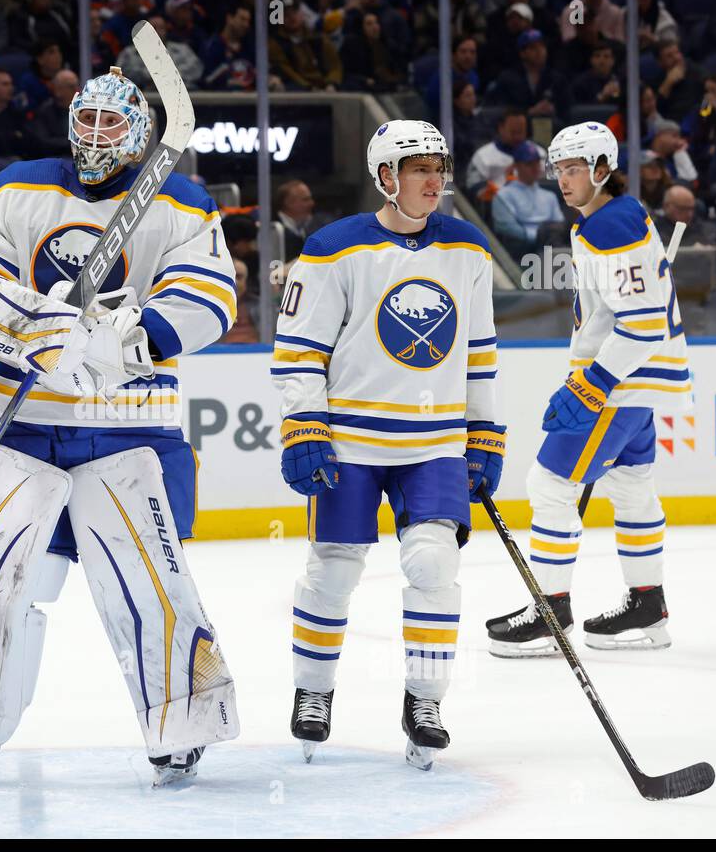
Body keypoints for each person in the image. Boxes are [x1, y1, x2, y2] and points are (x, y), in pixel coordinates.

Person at [0, 66, 240, 789]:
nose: (95, 135)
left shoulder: (181, 200)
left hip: (132, 425)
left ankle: (182, 717)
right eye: (86, 120)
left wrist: (132, 338)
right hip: (27, 424)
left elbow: (211, 296)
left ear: (141, 132)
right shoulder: (17, 186)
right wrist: (38, 326)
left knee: (146, 581)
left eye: (112, 125)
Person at [271, 119, 502, 772]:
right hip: (351, 442)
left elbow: (481, 352)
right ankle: (313, 691)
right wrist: (304, 424)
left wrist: (485, 432)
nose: (435, 180)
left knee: (433, 564)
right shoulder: (332, 249)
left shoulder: (468, 248)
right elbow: (298, 353)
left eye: (440, 167)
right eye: (419, 168)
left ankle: (424, 702)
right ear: (384, 177)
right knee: (335, 565)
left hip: (435, 443)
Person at [486, 122, 691, 657]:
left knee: (551, 485)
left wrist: (593, 384)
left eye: (574, 169)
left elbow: (642, 321)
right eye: (559, 170)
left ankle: (550, 614)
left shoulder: (611, 224)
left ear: (603, 170)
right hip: (638, 382)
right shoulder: (617, 217)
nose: (563, 180)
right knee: (630, 486)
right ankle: (649, 604)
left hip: (621, 384)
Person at [491, 141, 564, 258]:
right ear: (517, 166)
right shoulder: (503, 196)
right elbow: (508, 229)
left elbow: (559, 224)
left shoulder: (550, 196)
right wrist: (539, 236)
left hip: (552, 249)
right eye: (529, 164)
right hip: (521, 254)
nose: (535, 167)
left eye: (537, 162)